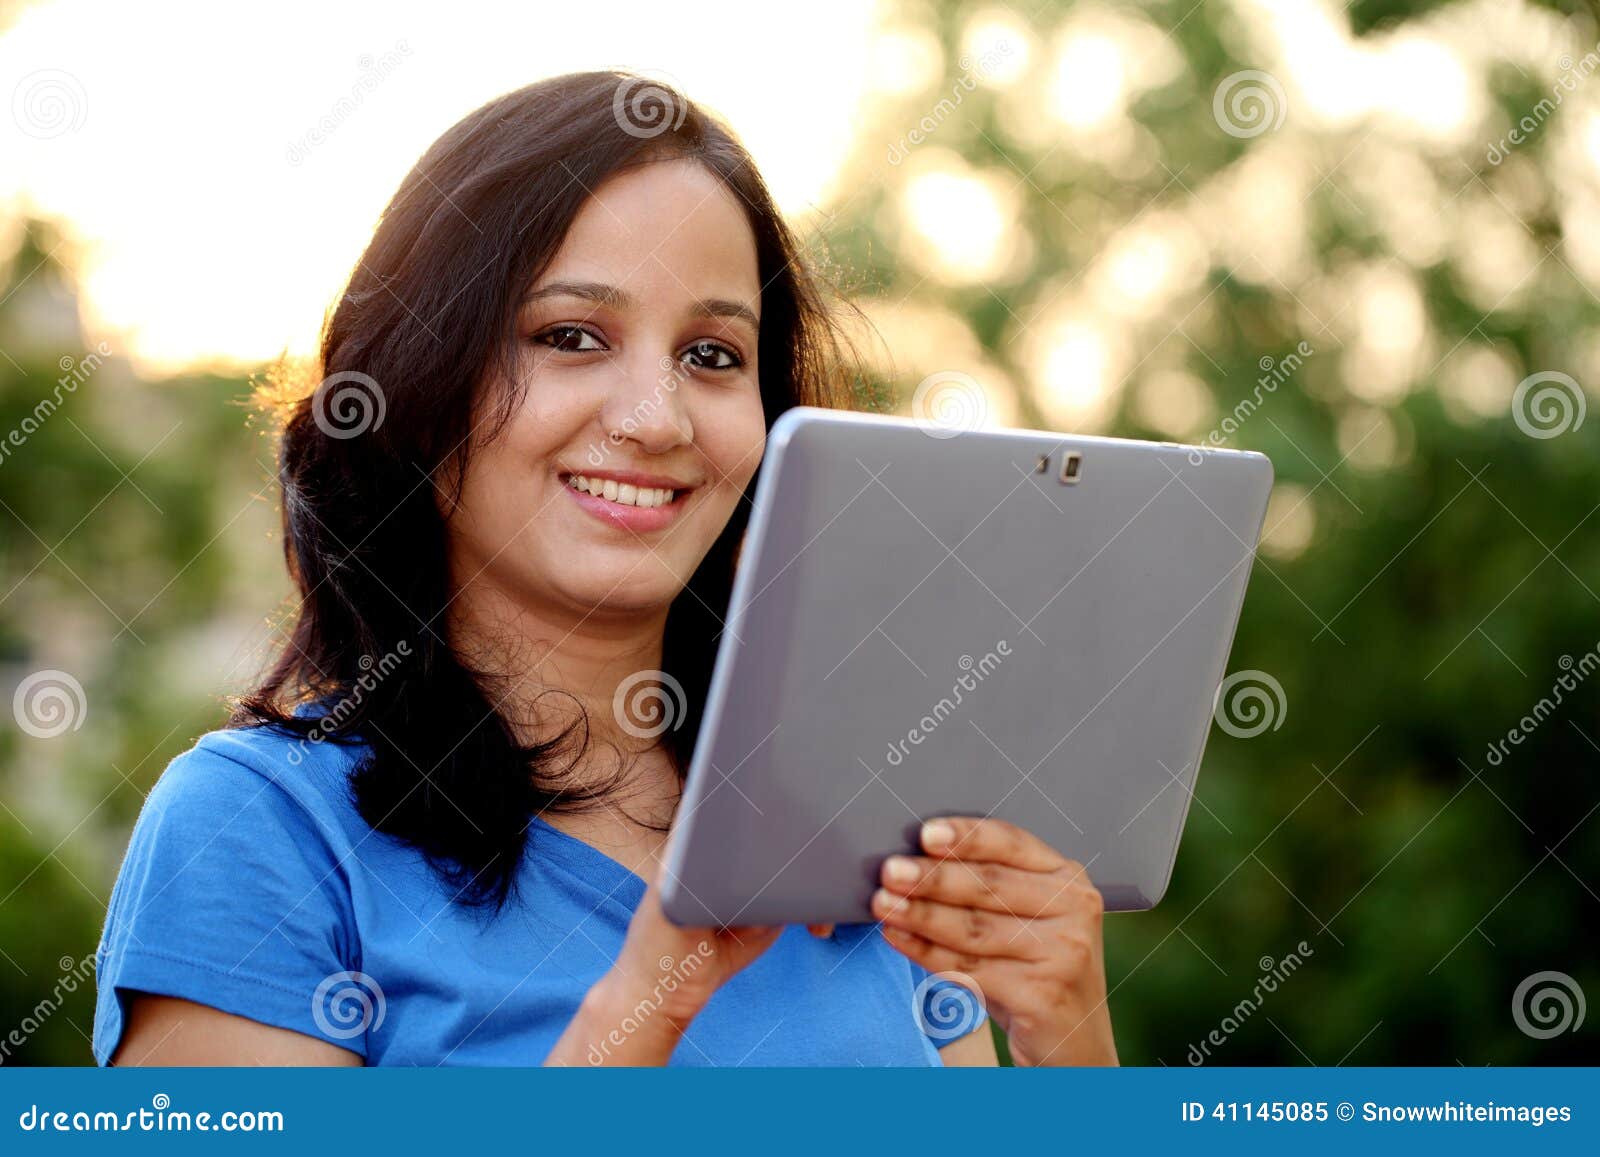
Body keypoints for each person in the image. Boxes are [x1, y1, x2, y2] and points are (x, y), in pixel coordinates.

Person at [92, 71, 1117, 1068]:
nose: (653, 418)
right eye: (570, 336)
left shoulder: (858, 820)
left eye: (712, 355)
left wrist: (1067, 1035)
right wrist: (641, 1006)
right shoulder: (258, 828)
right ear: (417, 380)